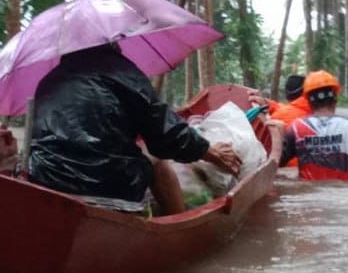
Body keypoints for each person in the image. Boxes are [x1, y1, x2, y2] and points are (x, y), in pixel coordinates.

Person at [27, 43, 241, 215]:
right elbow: (167, 137)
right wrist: (210, 152)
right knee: (156, 159)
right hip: (111, 190)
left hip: (47, 187)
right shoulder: (120, 72)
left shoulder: (47, 82)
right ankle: (179, 225)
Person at [279, 70, 348, 182]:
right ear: (335, 99)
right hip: (345, 194)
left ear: (309, 102)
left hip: (308, 193)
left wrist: (278, 134)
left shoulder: (296, 127)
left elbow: (278, 161)